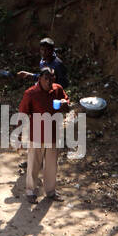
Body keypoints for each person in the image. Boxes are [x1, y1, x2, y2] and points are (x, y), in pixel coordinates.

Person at [19, 66, 71, 201]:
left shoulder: (57, 89)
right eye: (46, 79)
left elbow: (67, 102)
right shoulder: (30, 94)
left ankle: (51, 191)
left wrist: (65, 103)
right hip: (36, 134)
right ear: (40, 79)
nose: (49, 82)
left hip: (53, 133)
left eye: (52, 78)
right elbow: (23, 114)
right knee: (33, 165)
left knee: (51, 165)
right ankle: (30, 191)